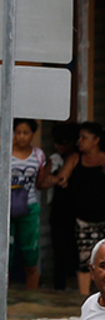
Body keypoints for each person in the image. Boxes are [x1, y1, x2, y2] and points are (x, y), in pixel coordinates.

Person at [56, 122, 105, 297]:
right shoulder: (76, 158)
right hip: (84, 220)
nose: (79, 141)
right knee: (84, 261)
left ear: (96, 140)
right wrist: (60, 179)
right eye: (79, 137)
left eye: (84, 138)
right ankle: (85, 299)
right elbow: (63, 176)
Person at [10, 118, 45, 290]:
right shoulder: (5, 153)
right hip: (6, 209)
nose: (22, 137)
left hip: (29, 208)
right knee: (5, 257)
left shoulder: (38, 156)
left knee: (30, 254)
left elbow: (40, 182)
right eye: (18, 133)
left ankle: (33, 295)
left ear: (32, 135)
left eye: (26, 133)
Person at [46, 123, 79, 290]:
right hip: (59, 213)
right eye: (57, 142)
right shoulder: (54, 160)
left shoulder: (80, 159)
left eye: (63, 142)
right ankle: (60, 289)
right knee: (59, 252)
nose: (59, 146)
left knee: (79, 253)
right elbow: (43, 182)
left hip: (80, 213)